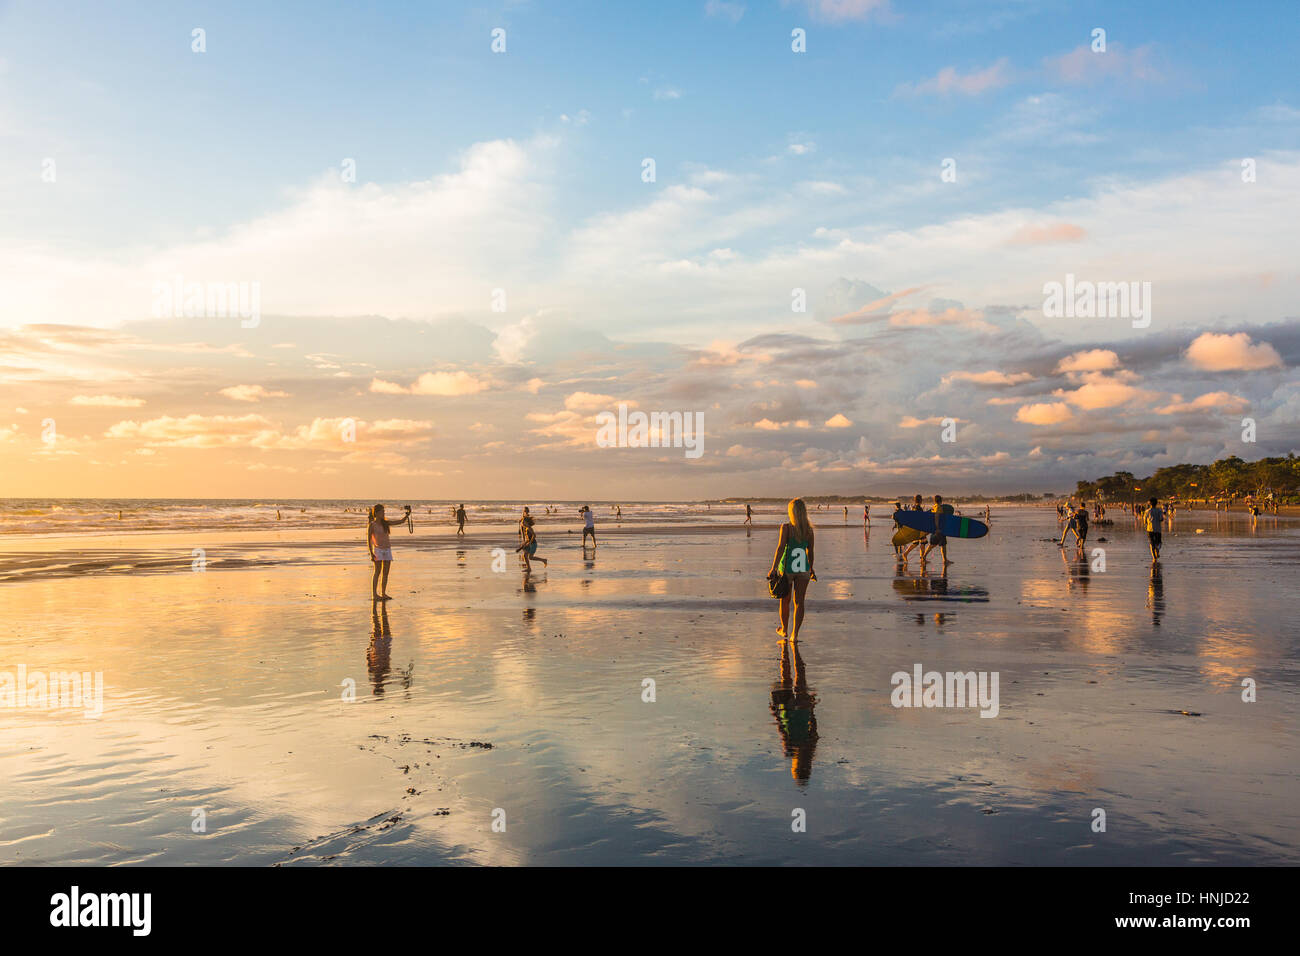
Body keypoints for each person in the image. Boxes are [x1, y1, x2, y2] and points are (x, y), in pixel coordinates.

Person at [768, 498, 815, 641]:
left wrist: (773, 568)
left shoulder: (786, 528)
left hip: (788, 568)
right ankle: (795, 634)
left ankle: (784, 630)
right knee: (799, 602)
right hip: (802, 567)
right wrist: (811, 568)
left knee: (784, 601)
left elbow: (781, 548)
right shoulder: (809, 530)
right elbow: (810, 551)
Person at [367, 504, 408, 601]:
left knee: (386, 573)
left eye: (383, 511)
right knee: (377, 572)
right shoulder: (372, 525)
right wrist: (371, 553)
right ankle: (374, 594)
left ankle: (383, 593)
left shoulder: (385, 523)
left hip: (387, 549)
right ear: (376, 513)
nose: (383, 513)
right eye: (382, 512)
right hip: (378, 550)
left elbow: (400, 522)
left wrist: (407, 515)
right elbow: (368, 540)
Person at [920, 494, 951, 566]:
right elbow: (936, 517)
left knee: (932, 545)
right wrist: (937, 528)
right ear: (941, 500)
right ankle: (945, 560)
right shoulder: (939, 507)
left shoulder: (934, 507)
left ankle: (924, 557)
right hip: (939, 529)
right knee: (943, 545)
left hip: (934, 529)